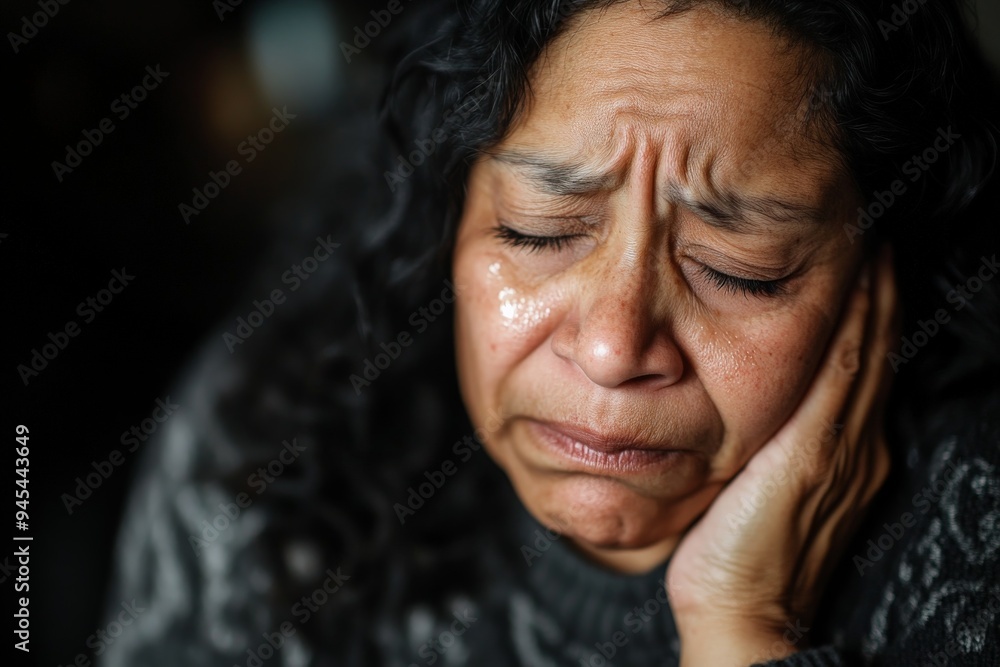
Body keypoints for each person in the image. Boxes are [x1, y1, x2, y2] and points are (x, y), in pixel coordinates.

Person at [100, 0, 1000, 665]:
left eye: (741, 269)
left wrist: (743, 631)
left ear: (877, 277)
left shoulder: (969, 543)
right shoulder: (272, 430)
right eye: (537, 230)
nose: (613, 349)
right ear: (441, 222)